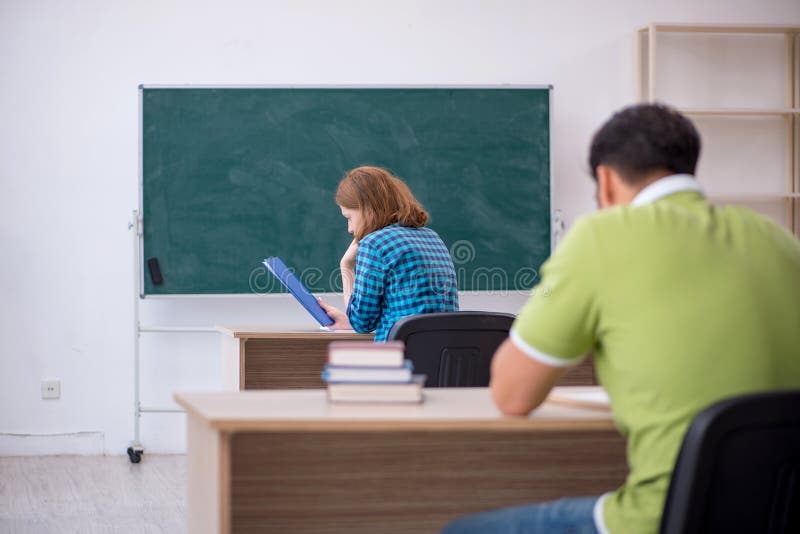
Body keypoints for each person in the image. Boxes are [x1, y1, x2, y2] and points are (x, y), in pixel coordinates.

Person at [442, 104, 800, 534]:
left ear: (607, 181)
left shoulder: (601, 236)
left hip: (667, 516)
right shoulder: (778, 239)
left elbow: (511, 394)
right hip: (780, 510)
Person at [319, 166, 459, 341]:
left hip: (399, 360)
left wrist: (346, 265)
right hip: (441, 357)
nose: (350, 229)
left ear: (367, 209)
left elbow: (362, 323)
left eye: (349, 218)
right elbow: (412, 313)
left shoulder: (374, 243)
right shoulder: (432, 237)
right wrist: (349, 322)